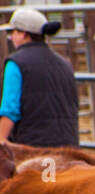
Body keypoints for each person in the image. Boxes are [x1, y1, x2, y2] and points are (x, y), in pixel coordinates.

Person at [0, 7, 78, 146]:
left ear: (23, 33)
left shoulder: (16, 63)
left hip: (33, 149)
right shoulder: (65, 64)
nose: (11, 37)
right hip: (68, 148)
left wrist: (1, 140)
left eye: (12, 32)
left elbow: (10, 109)